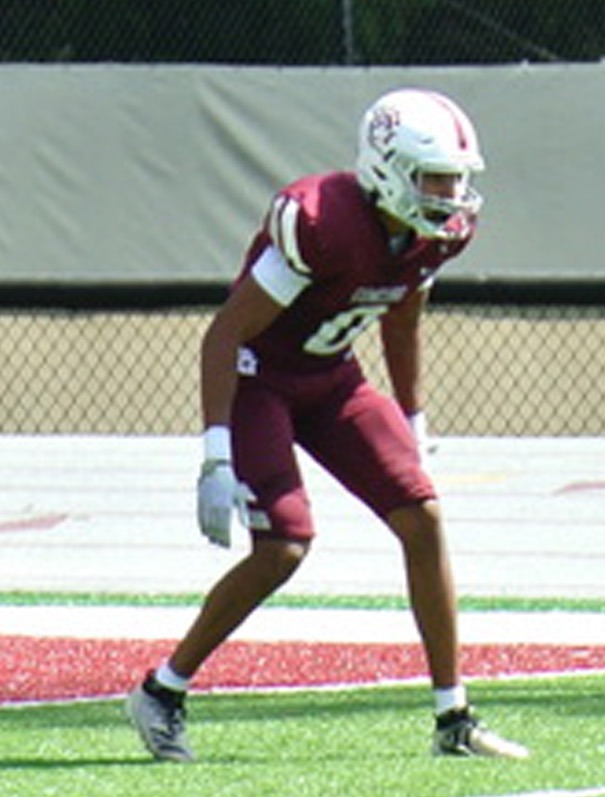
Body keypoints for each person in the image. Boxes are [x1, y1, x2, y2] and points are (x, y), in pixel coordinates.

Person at [125, 88, 528, 763]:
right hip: (260, 379)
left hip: (332, 377)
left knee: (422, 516)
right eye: (434, 178)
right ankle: (161, 692)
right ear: (386, 169)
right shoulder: (323, 221)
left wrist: (411, 413)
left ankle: (452, 717)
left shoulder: (438, 232)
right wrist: (215, 456)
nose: (450, 194)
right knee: (283, 546)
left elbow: (400, 314)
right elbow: (226, 331)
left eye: (457, 179)